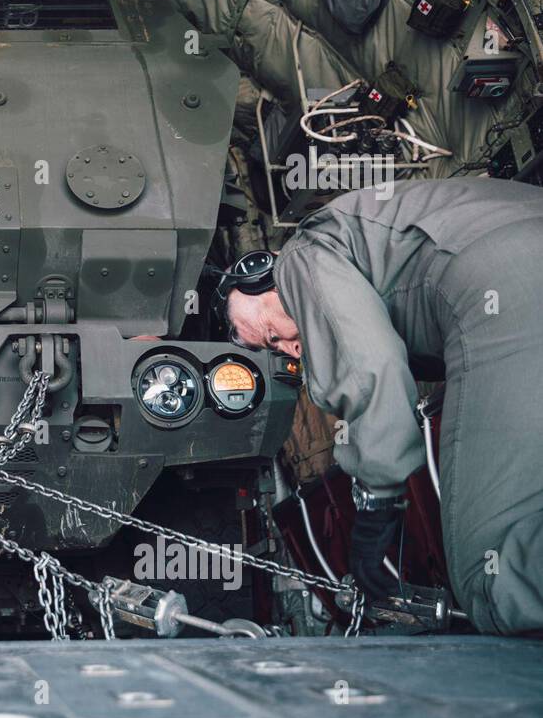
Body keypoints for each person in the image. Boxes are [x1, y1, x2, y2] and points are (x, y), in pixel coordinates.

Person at [219, 177, 543, 635]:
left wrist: (377, 505)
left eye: (272, 335)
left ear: (266, 281)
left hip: (507, 285)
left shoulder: (301, 258)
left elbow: (369, 366)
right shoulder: (369, 243)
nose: (288, 351)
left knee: (493, 579)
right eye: (275, 352)